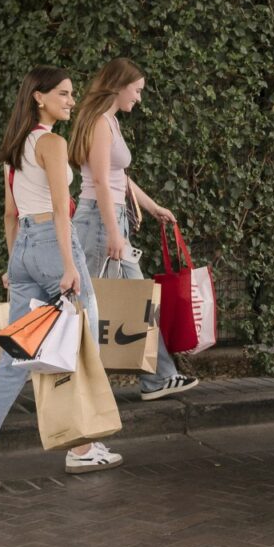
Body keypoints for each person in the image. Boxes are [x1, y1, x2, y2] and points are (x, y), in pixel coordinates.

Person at [0, 66, 123, 492]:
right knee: (84, 340)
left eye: (72, 94)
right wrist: (69, 266)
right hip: (55, 247)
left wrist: (14, 262)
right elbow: (60, 209)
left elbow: (10, 214)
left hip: (25, 248)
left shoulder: (16, 147)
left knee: (16, 360)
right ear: (39, 97)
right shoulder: (52, 142)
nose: (71, 101)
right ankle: (80, 446)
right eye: (63, 93)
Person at [70, 58, 198, 401]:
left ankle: (158, 378)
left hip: (109, 219)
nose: (138, 98)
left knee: (139, 301)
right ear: (118, 85)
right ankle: (68, 379)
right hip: (100, 221)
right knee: (85, 303)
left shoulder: (110, 121)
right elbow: (99, 181)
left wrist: (153, 207)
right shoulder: (100, 123)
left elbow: (119, 178)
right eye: (137, 90)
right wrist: (114, 232)